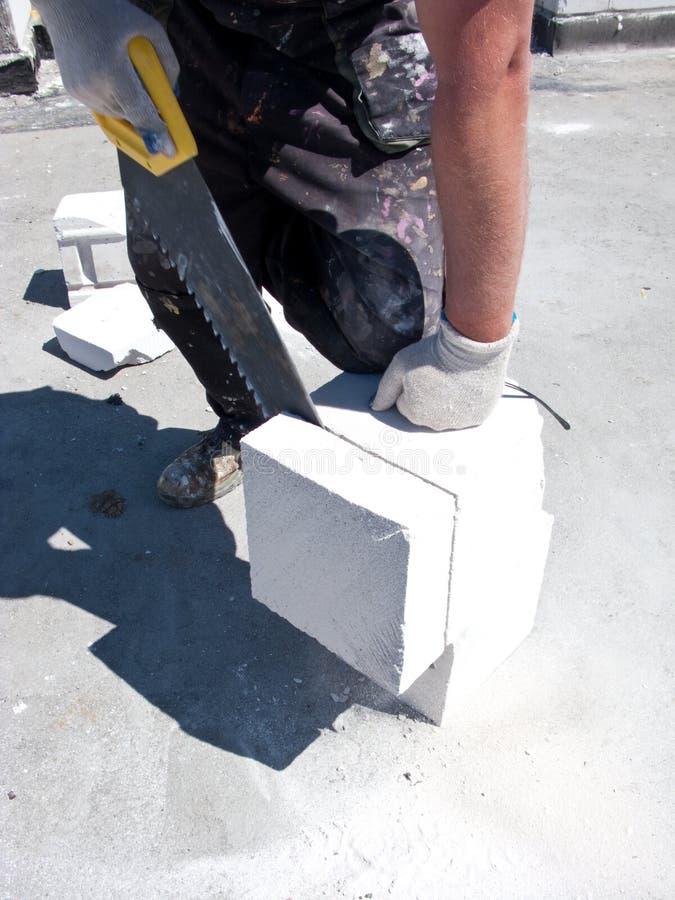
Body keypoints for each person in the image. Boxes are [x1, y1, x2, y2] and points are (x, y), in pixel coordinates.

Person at [35, 0, 534, 508]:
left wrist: (473, 350)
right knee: (171, 257)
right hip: (182, 24)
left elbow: (492, 69)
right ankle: (247, 418)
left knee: (389, 325)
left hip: (344, 36)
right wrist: (73, 11)